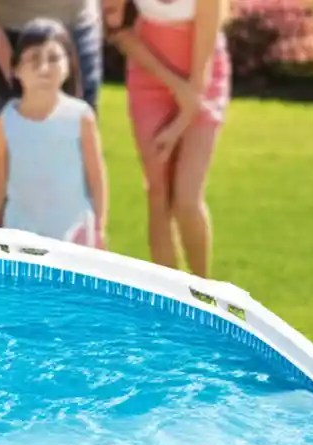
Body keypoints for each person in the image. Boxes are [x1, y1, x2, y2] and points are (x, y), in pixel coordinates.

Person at [105, 0, 231, 277]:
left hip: (202, 79)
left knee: (186, 199)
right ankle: (170, 306)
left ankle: (204, 297)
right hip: (150, 74)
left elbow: (198, 85)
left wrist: (176, 129)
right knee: (158, 193)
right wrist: (173, 84)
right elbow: (118, 31)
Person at [0, 19, 108, 248]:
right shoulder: (6, 120)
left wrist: (99, 228)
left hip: (71, 232)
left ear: (69, 65)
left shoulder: (80, 117)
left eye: (53, 59)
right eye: (33, 59)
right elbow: (1, 178)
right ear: (16, 69)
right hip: (20, 229)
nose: (44, 68)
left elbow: (96, 175)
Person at [0, 0, 103, 147]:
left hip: (78, 25)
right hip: (7, 34)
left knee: (78, 141)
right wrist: (17, 76)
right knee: (15, 148)